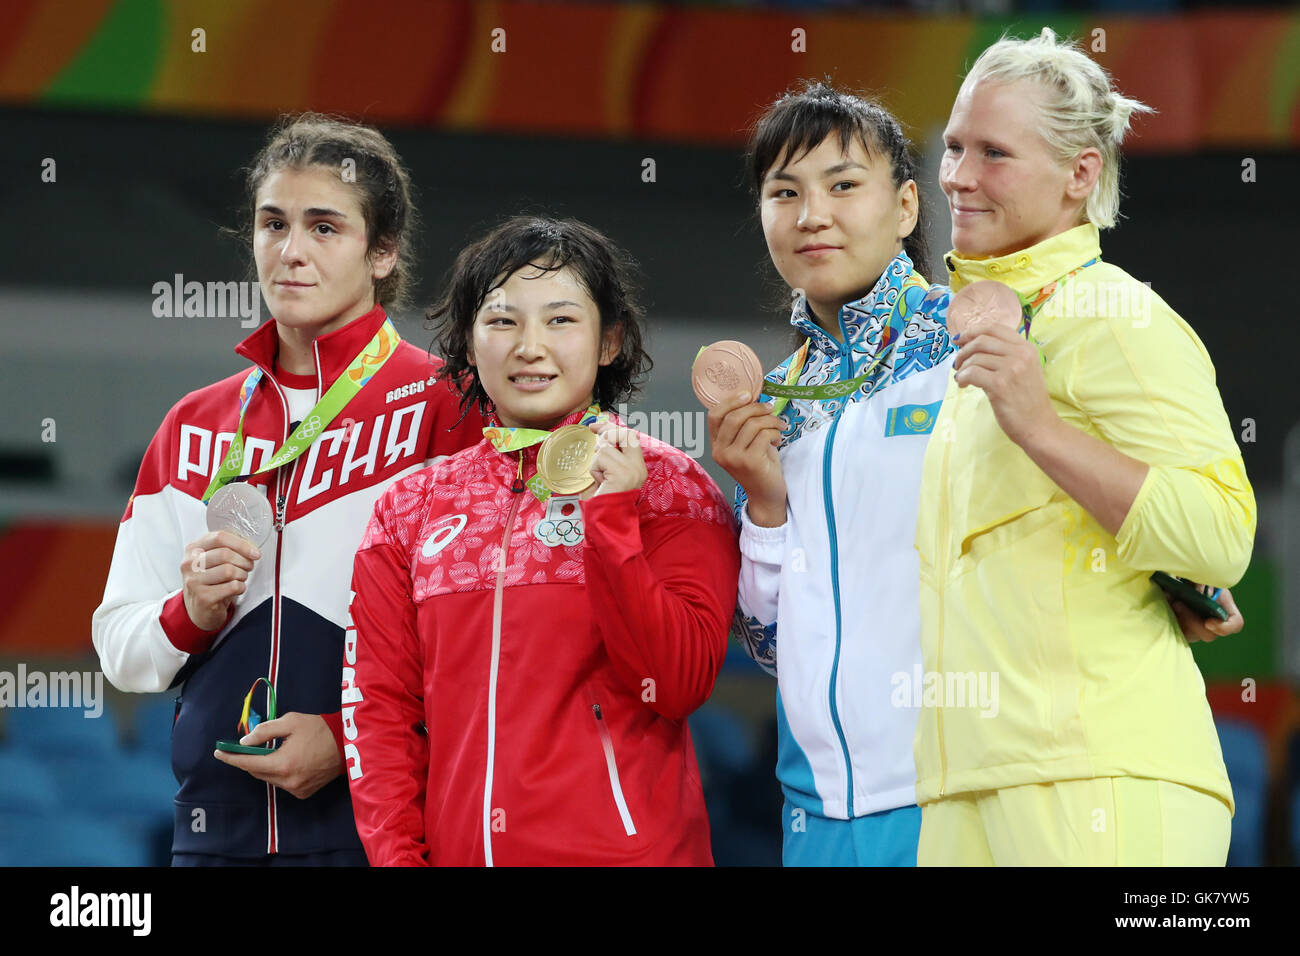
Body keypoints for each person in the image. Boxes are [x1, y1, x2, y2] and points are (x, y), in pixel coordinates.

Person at [92, 114, 483, 865]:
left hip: (384, 829)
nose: (291, 251)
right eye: (273, 224)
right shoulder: (193, 425)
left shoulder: (448, 406)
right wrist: (191, 613)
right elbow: (119, 646)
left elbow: (487, 634)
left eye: (324, 227)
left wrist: (348, 737)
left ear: (384, 251)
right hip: (214, 836)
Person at [913, 28, 1256, 865]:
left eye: (994, 152)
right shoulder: (967, 336)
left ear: (1081, 173)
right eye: (955, 146)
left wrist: (1040, 425)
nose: (956, 174)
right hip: (969, 784)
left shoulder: (1116, 314)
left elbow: (1221, 535)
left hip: (1100, 778)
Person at [345, 216, 740, 865]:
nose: (530, 346)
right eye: (502, 321)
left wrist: (611, 523)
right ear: (469, 344)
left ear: (609, 340)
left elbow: (676, 682)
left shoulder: (672, 487)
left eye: (560, 320)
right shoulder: (408, 508)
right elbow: (380, 714)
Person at [710, 82, 955, 866]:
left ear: (908, 207)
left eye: (844, 185)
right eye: (785, 192)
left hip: (960, 785)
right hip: (815, 800)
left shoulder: (971, 351)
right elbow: (773, 643)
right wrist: (765, 505)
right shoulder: (773, 404)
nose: (812, 213)